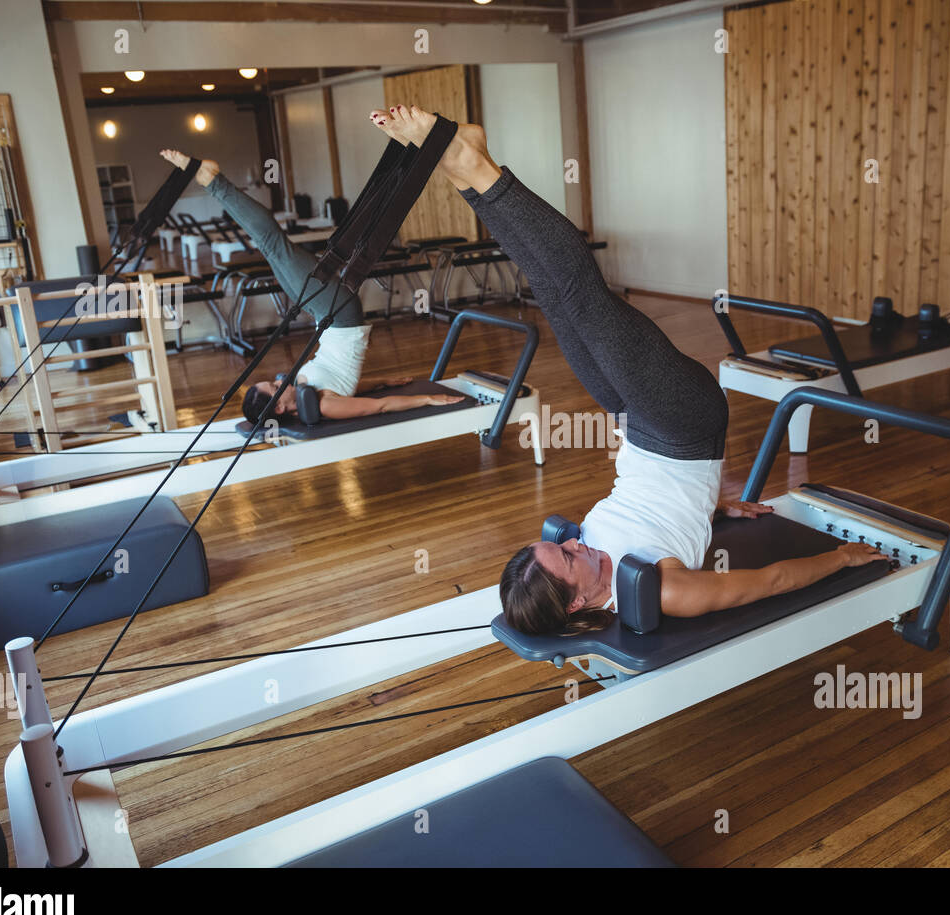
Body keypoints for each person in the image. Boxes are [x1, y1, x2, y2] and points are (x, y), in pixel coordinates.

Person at [368, 105, 887, 635]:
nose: (574, 540)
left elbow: (654, 511)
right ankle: (468, 161)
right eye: (569, 557)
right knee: (582, 292)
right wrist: (842, 559)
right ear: (577, 604)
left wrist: (709, 506)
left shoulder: (586, 556)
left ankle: (463, 172)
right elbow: (771, 581)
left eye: (559, 543)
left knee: (552, 295)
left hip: (632, 419)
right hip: (685, 423)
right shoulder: (662, 589)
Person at [159, 149, 463, 421]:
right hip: (341, 317)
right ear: (279, 408)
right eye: (276, 387)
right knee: (273, 243)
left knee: (269, 249)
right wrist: (426, 398)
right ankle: (212, 180)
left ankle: (212, 179)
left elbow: (347, 384)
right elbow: (379, 407)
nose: (280, 380)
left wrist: (380, 383)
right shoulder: (326, 406)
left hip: (324, 317)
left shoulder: (305, 388)